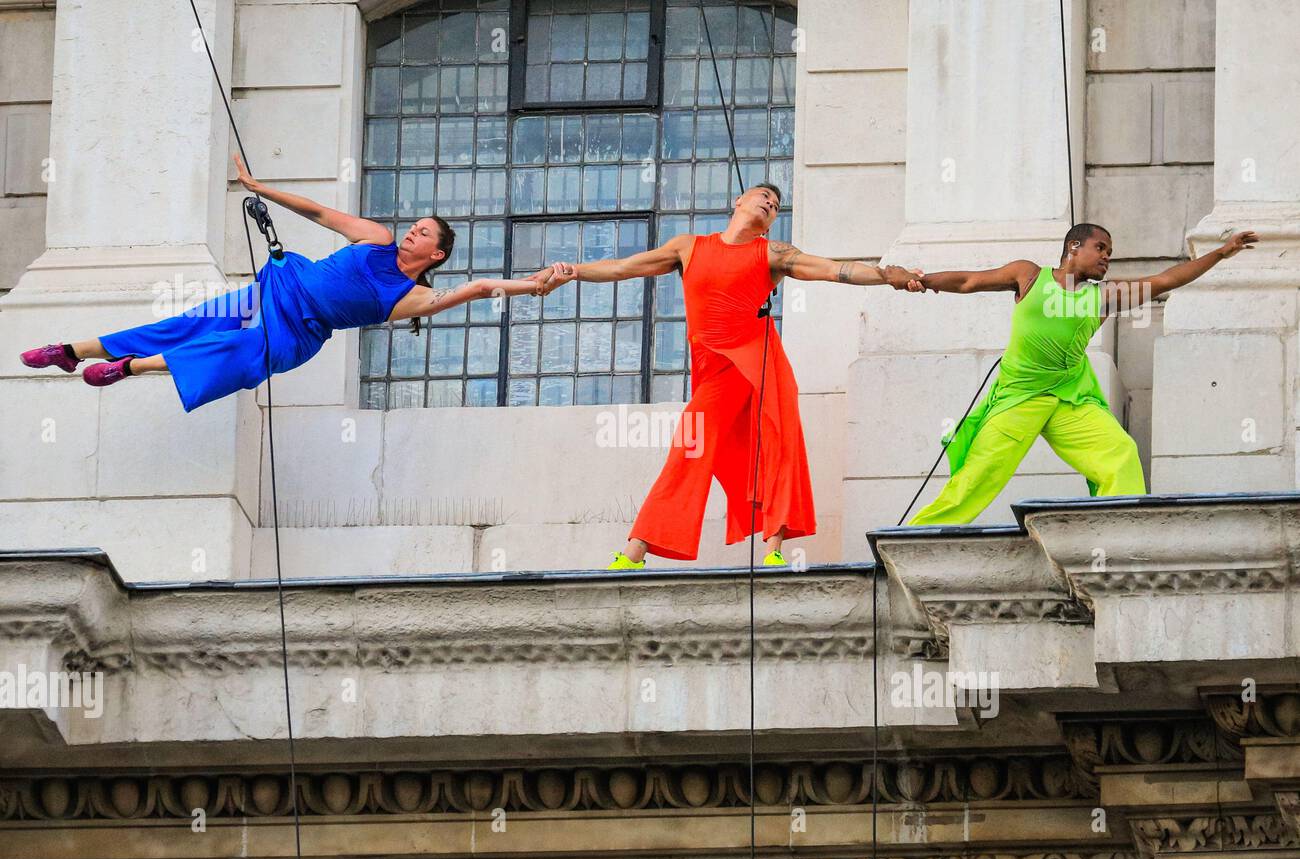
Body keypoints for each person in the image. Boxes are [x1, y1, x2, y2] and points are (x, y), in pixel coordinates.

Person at [541, 182, 923, 568]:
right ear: (739, 201)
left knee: (769, 440)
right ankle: (646, 547)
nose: (770, 203)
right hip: (714, 368)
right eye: (763, 197)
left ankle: (755, 549)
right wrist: (573, 271)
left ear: (770, 225)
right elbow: (624, 267)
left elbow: (832, 270)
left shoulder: (772, 253)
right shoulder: (688, 247)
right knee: (695, 443)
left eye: (775, 206)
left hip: (754, 361)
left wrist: (886, 274)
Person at [20, 154, 547, 412]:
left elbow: (478, 288)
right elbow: (318, 213)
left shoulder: (415, 298)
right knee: (184, 324)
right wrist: (259, 188)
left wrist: (534, 284)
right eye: (414, 226)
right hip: (277, 289)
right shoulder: (375, 238)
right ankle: (69, 349)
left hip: (298, 330)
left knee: (236, 346)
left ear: (437, 254)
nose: (411, 232)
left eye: (423, 234)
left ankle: (125, 368)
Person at [907, 223, 1259, 525]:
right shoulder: (1028, 275)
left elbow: (1165, 280)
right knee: (979, 475)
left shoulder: (1105, 295)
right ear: (1073, 247)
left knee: (1119, 451)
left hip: (1069, 398)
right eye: (1101, 247)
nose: (1107, 256)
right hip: (1018, 396)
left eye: (1110, 251)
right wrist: (921, 281)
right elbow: (969, 281)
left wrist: (1220, 254)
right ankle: (917, 537)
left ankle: (1117, 532)